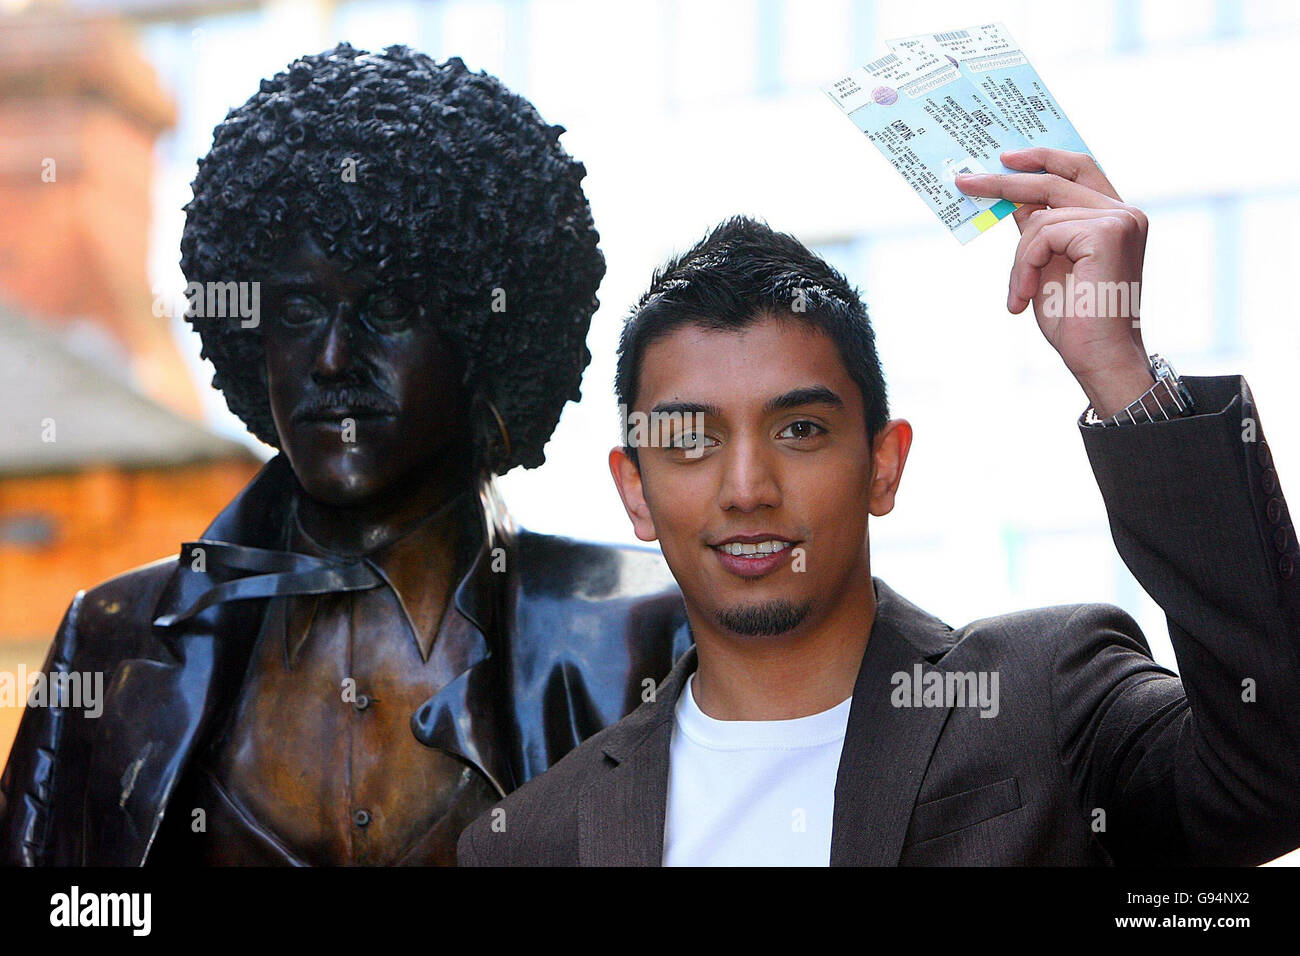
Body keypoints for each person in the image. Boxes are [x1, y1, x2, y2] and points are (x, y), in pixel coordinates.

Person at [457, 148, 1300, 866]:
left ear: (883, 467)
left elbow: (1274, 775)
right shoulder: (533, 840)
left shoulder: (1042, 695)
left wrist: (1117, 367)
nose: (747, 487)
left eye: (799, 430)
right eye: (691, 441)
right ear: (635, 489)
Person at [0, 44, 688, 866]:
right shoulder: (114, 642)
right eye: (296, 309)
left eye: (388, 306)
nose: (331, 359)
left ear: (481, 335)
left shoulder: (641, 635)